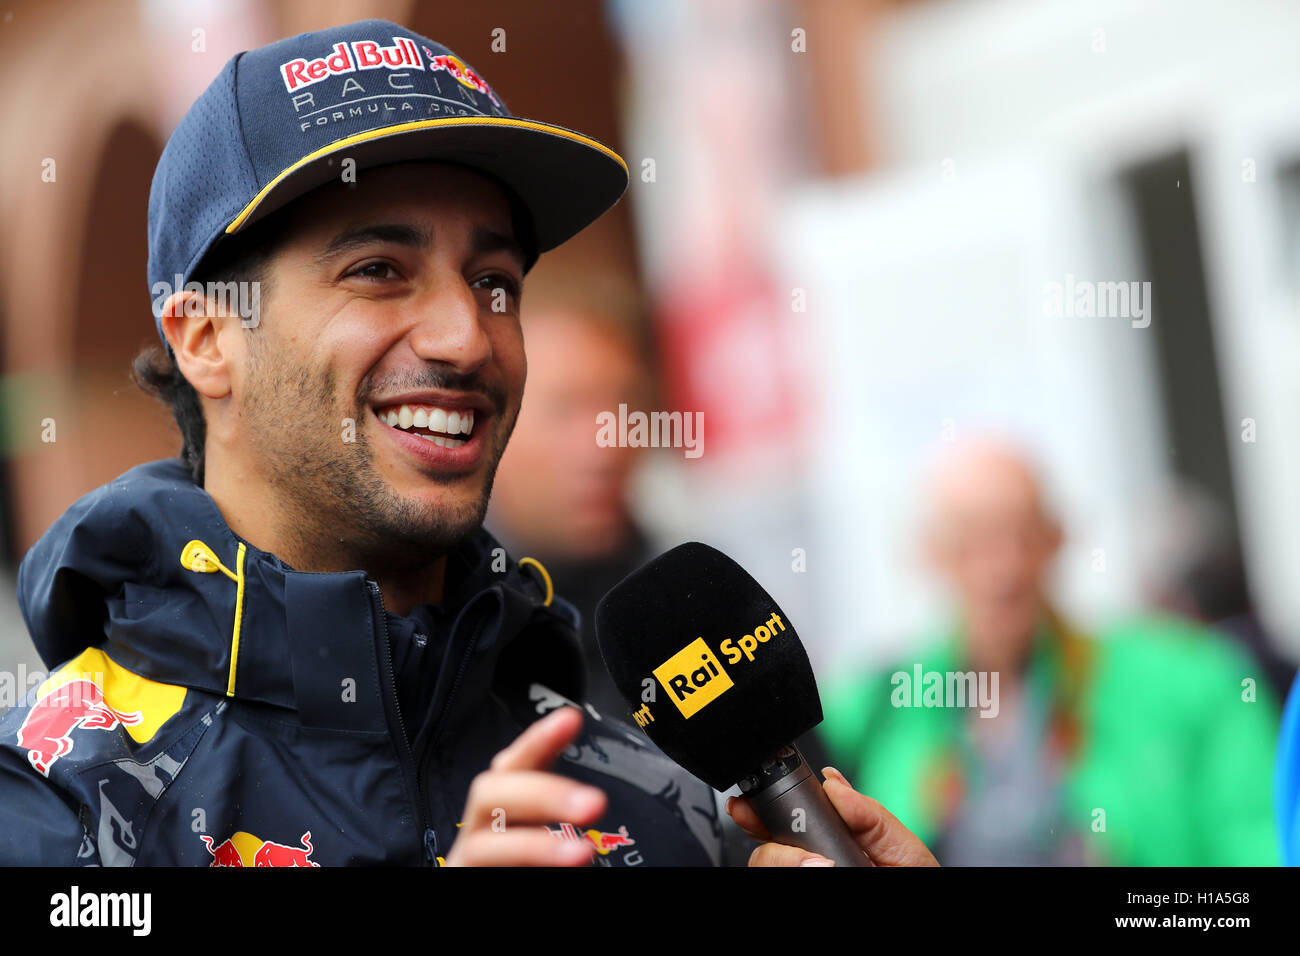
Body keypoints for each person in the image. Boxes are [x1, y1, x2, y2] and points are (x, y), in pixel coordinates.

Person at [0, 19, 932, 868]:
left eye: (493, 280)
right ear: (205, 338)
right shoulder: (46, 800)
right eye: (377, 270)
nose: (464, 335)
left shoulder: (655, 798)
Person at [819, 438, 1280, 865]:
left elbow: (1258, 853)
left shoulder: (1192, 682)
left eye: (1021, 536)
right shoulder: (879, 706)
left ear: (1057, 538)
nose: (1002, 569)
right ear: (931, 554)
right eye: (971, 542)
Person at [487, 274, 657, 719]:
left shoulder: (700, 605)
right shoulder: (434, 632)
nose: (605, 447)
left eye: (626, 406)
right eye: (563, 409)